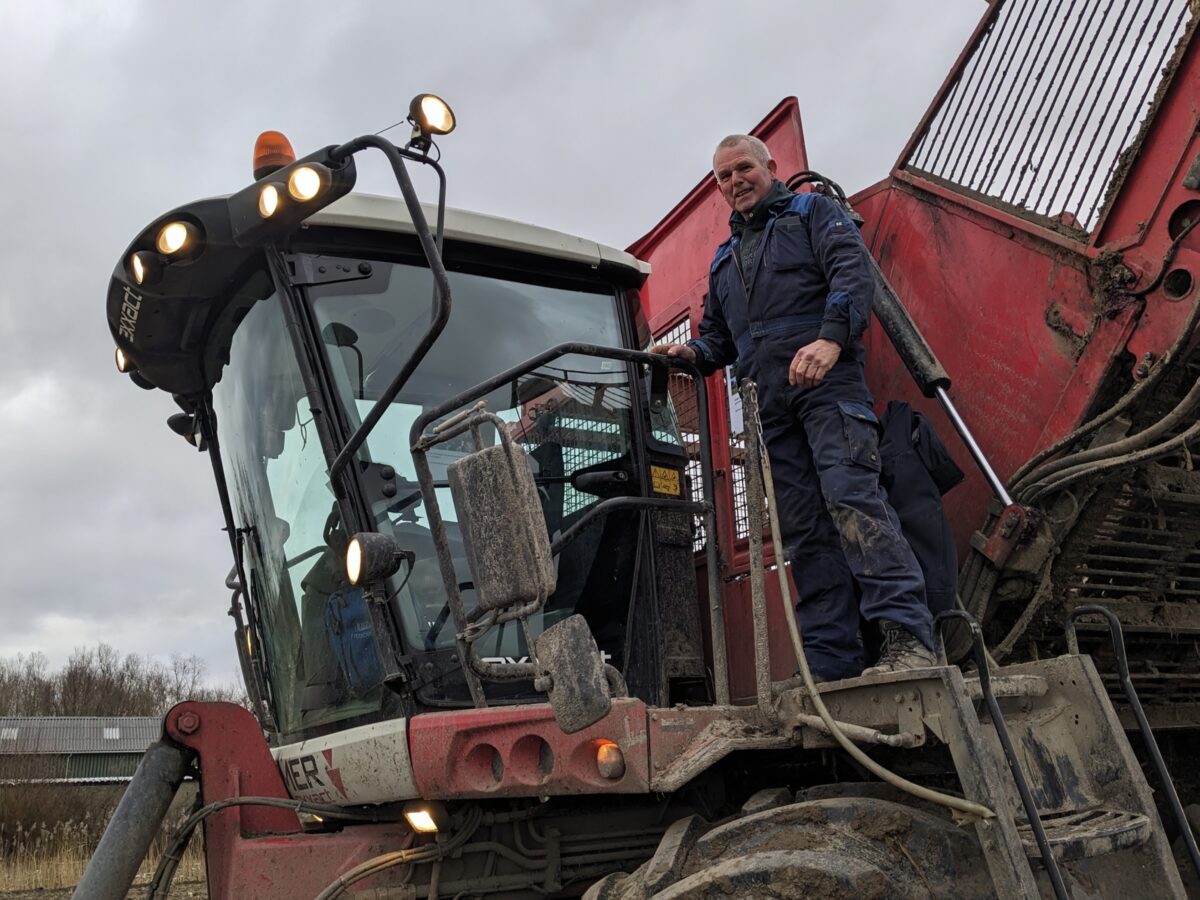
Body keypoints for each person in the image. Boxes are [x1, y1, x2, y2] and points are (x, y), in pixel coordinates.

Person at [650, 134, 936, 680]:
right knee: (802, 530)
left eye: (742, 169)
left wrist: (831, 339)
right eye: (723, 178)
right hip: (770, 410)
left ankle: (909, 638)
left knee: (852, 499)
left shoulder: (813, 213)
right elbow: (718, 341)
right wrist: (688, 353)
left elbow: (851, 275)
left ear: (770, 167)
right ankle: (832, 662)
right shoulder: (724, 261)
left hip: (829, 393)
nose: (735, 182)